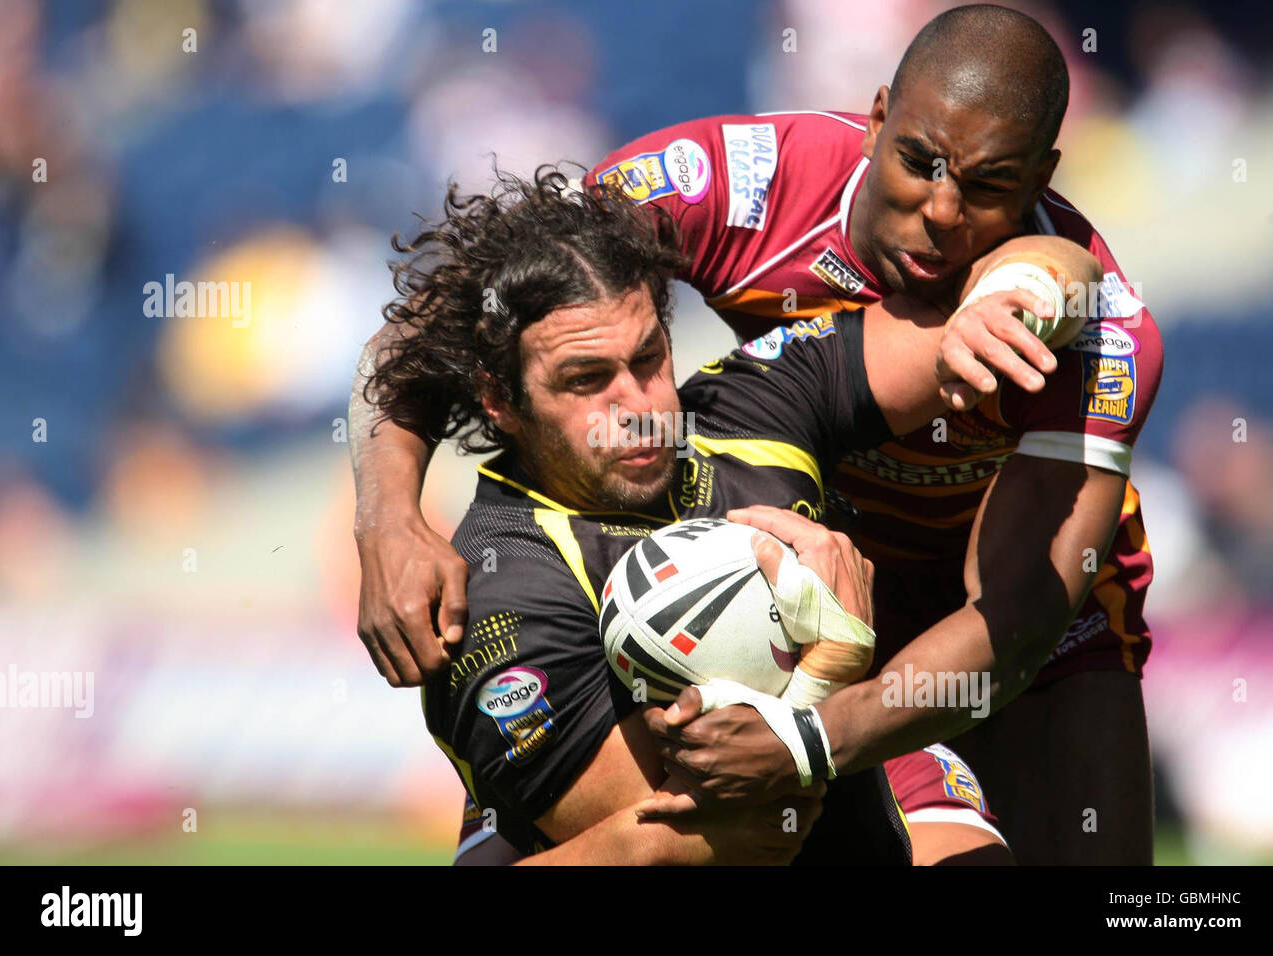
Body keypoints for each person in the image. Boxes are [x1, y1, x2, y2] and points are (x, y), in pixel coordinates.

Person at [353, 5, 1162, 864]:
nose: (942, 210)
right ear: (876, 118)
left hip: (1002, 599)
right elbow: (478, 301)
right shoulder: (740, 186)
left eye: (991, 185)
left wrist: (811, 730)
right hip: (799, 576)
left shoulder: (1105, 338)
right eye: (919, 162)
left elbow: (1018, 620)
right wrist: (387, 517)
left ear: (1045, 176)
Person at [374, 170, 1053, 863]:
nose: (637, 406)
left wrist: (1023, 288)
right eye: (585, 380)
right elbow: (735, 834)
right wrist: (835, 660)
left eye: (649, 359)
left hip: (853, 787)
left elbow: (1056, 280)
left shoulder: (752, 405)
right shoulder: (501, 592)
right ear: (499, 400)